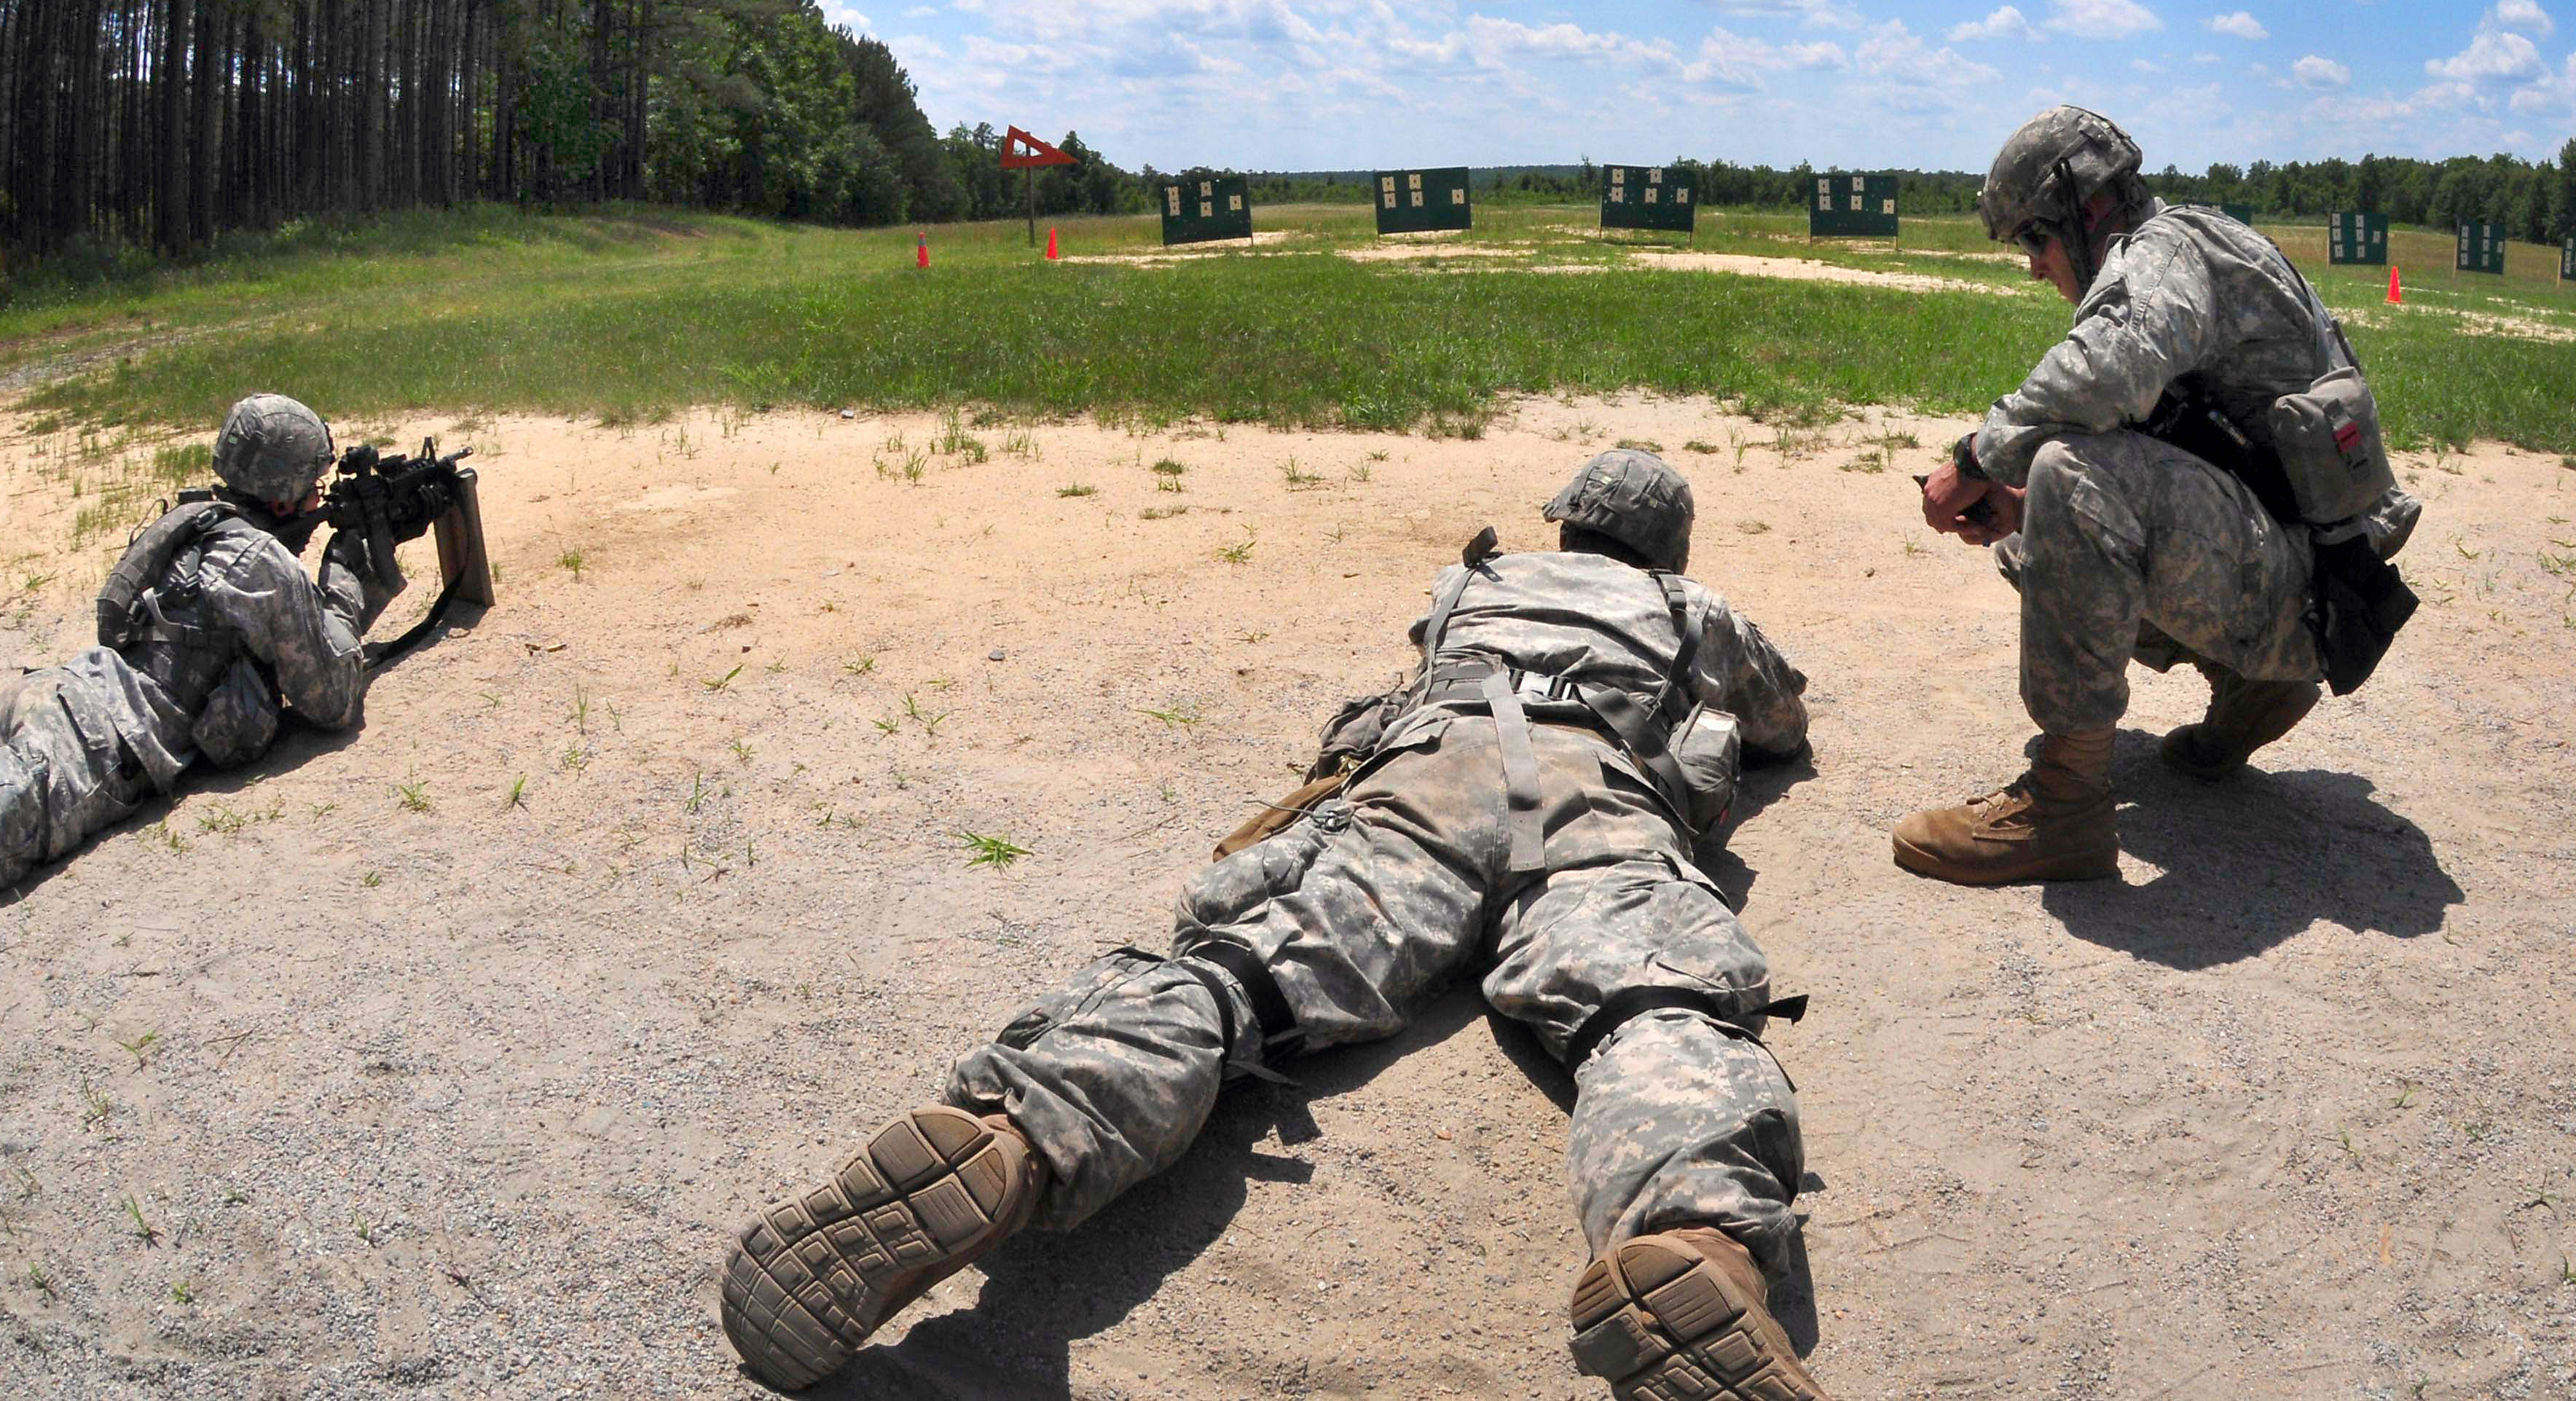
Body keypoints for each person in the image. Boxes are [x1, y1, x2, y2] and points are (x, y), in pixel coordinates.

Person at [718, 450, 1834, 1401]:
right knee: (1652, 1005)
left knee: (1244, 974)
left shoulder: (1472, 578)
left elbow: (1423, 663)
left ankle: (1016, 1135)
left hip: (1426, 783)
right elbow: (1778, 717)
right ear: (1669, 543)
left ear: (1568, 517)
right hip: (1594, 791)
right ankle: (1693, 1241)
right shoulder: (1690, 609)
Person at [1898, 105, 2420, 886]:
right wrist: (2016, 496)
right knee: (2030, 513)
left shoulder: (2164, 251)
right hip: (2314, 588)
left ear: (2086, 209)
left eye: (2034, 239)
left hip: (2303, 592)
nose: (2033, 266)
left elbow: (2113, 369)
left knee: (2063, 475)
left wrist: (1975, 454)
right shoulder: (2191, 249)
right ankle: (2254, 686)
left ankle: (2064, 806)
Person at [0, 394, 404, 932]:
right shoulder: (258, 560)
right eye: (313, 490)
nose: (317, 501)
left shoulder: (198, 520)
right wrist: (347, 579)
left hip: (54, 693)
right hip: (83, 753)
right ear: (282, 500)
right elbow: (332, 699)